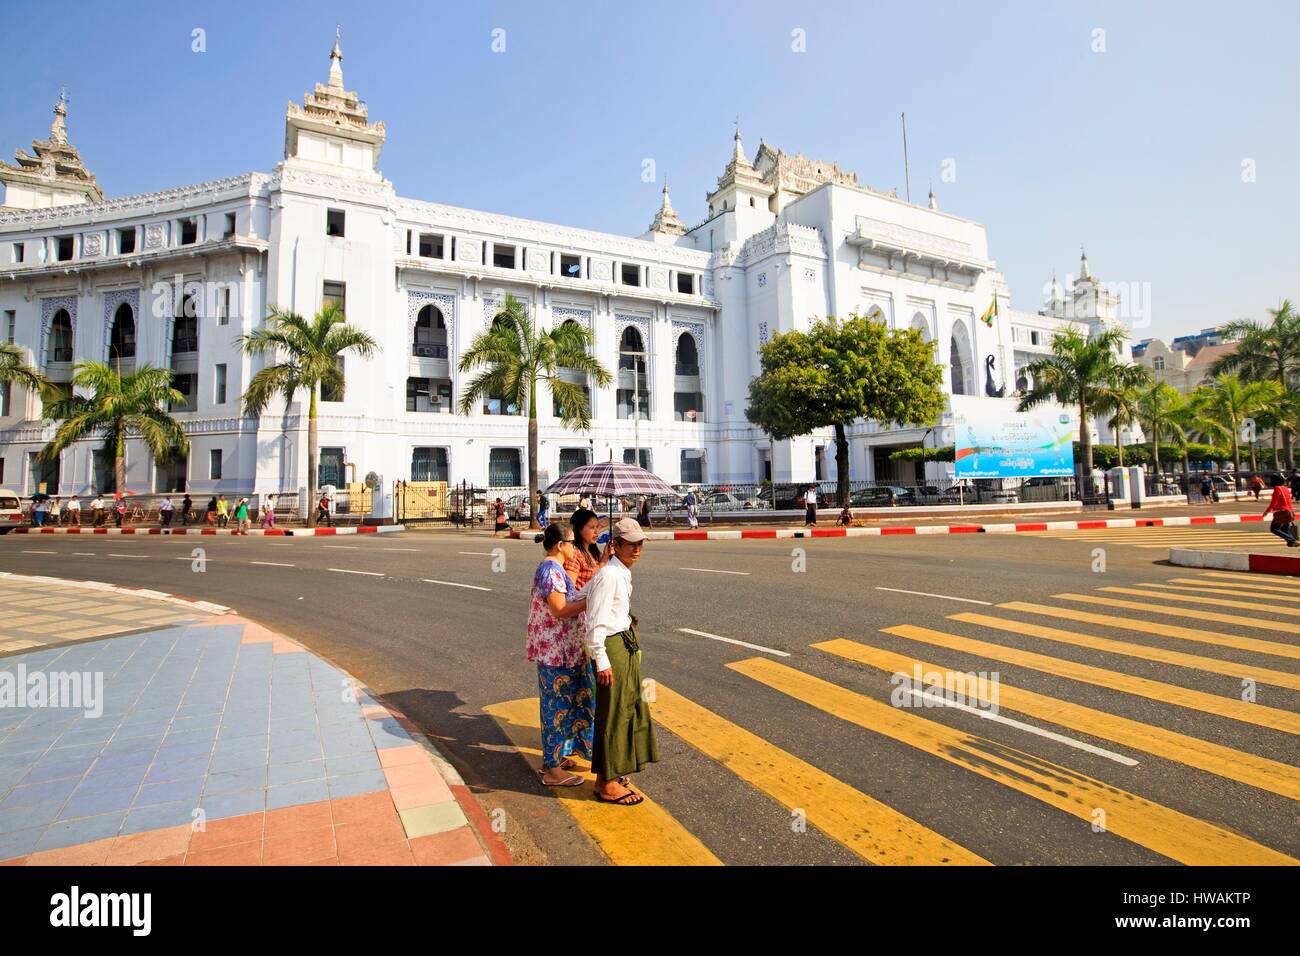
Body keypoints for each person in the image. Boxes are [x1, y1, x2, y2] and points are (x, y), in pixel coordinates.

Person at [583, 517, 658, 806]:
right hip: (610, 649)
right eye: (630, 544)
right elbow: (595, 623)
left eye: (639, 544)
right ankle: (607, 784)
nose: (636, 549)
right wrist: (601, 661)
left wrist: (627, 620)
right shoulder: (610, 575)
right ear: (615, 545)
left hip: (623, 644)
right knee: (613, 715)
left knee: (624, 710)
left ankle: (608, 777)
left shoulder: (620, 571)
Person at [527, 523, 593, 786]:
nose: (575, 548)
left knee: (564, 707)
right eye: (571, 542)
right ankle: (553, 771)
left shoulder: (554, 569)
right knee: (556, 708)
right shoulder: (550, 571)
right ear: (559, 546)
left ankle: (558, 758)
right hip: (556, 653)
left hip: (563, 651)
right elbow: (560, 609)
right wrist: (591, 599)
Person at [565, 508, 609, 590]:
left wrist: (605, 556)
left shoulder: (591, 551)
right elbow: (569, 591)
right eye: (592, 527)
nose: (597, 532)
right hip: (581, 601)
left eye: (597, 527)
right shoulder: (574, 554)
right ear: (579, 529)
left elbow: (597, 575)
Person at [1263, 473, 1297, 548]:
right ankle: (1292, 542)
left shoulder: (1277, 488)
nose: (1270, 482)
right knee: (1285, 529)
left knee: (1274, 529)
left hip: (1282, 512)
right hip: (1289, 511)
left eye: (1271, 480)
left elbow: (1274, 502)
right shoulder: (1285, 488)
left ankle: (1292, 540)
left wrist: (1267, 511)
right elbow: (1289, 501)